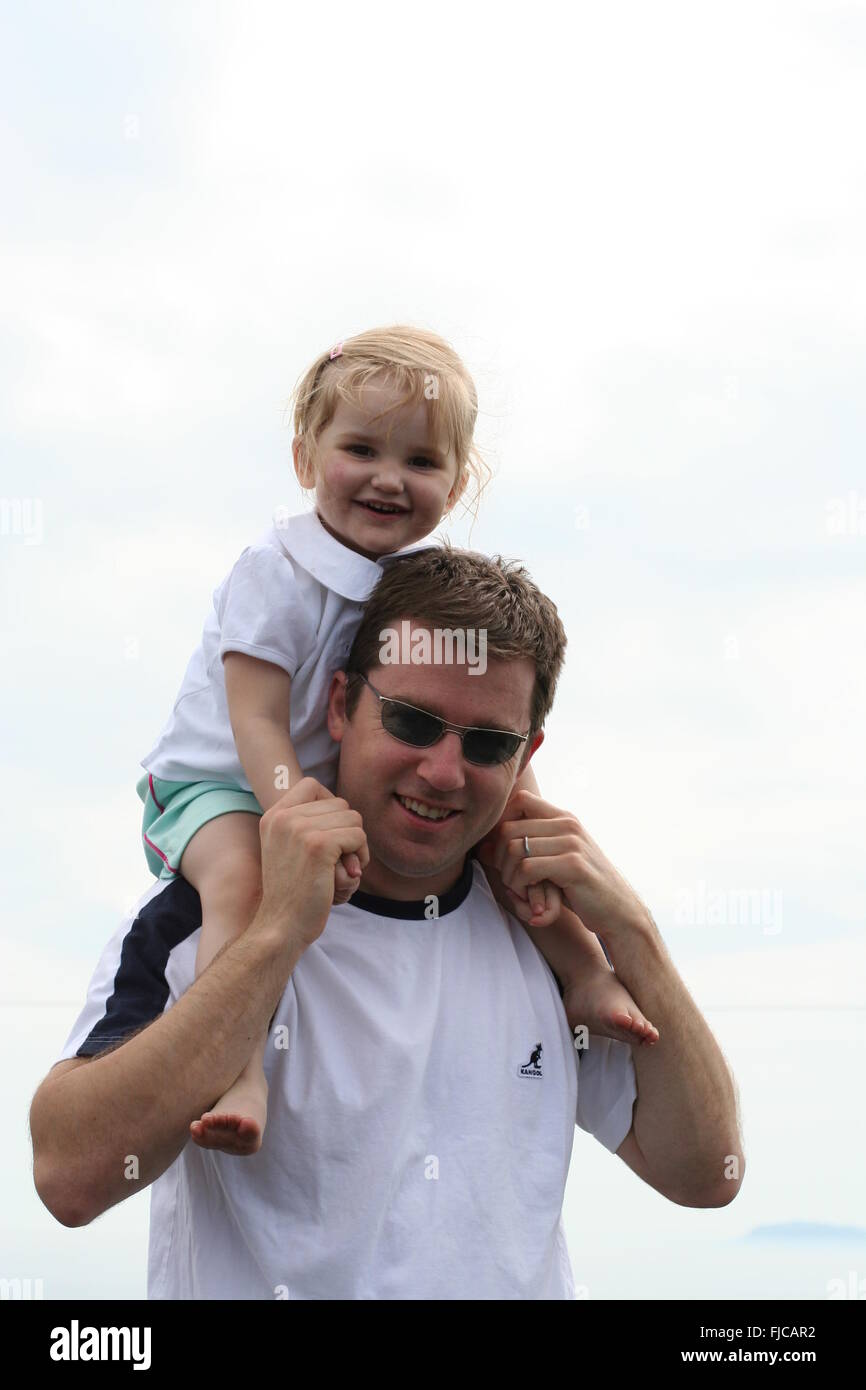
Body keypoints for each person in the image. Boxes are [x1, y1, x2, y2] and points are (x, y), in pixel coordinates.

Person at [30, 548, 744, 1301]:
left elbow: (703, 1173)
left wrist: (635, 934)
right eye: (411, 720)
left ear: (526, 755)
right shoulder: (207, 915)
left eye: (488, 744)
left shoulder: (551, 934)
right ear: (340, 705)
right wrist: (276, 936)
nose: (443, 771)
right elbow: (70, 1178)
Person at [133, 324, 655, 1156]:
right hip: (221, 785)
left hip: (315, 783)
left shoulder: (407, 587)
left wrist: (515, 796)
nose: (388, 478)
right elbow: (257, 716)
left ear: (457, 482)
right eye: (361, 449)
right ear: (306, 459)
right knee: (239, 883)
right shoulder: (276, 571)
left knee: (515, 826)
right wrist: (291, 811)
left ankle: (587, 971)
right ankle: (239, 1068)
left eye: (420, 462)